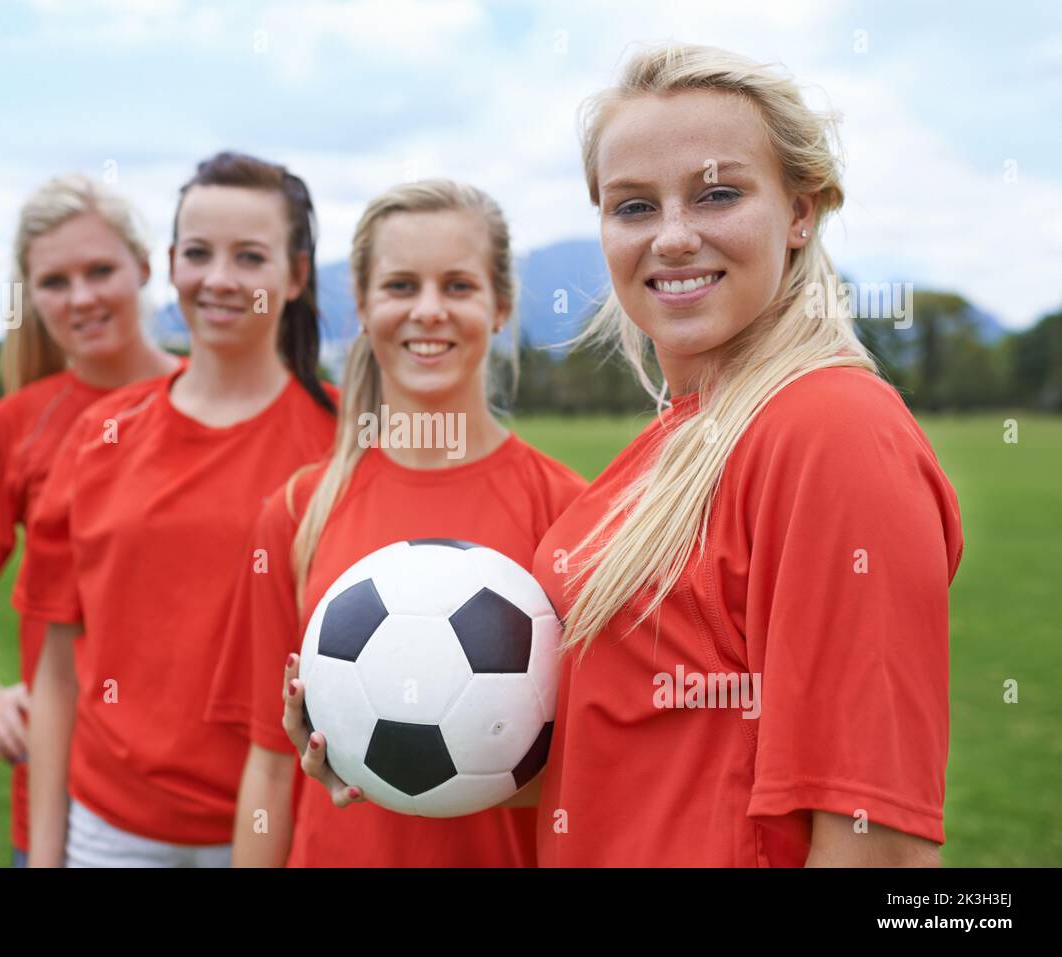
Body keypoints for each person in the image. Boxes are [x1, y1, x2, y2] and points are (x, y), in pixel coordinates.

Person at [286, 44, 963, 867]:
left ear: (800, 210)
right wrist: (373, 729)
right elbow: (640, 757)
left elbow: (877, 840)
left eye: (718, 194)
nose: (673, 237)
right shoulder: (675, 443)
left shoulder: (833, 431)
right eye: (634, 206)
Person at [209, 179, 587, 867]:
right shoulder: (296, 512)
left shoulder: (572, 512)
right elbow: (267, 766)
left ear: (501, 305)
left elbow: (597, 774)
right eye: (402, 286)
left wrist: (398, 778)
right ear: (361, 305)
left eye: (459, 286)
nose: (430, 311)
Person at [16, 151, 337, 867]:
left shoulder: (347, 443)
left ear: (295, 275)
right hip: (109, 833)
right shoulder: (97, 438)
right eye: (199, 253)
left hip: (284, 828)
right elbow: (57, 671)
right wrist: (44, 854)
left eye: (249, 256)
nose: (219, 278)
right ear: (169, 264)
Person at [0, 174, 180, 867]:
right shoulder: (23, 424)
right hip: (72, 798)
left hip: (229, 787)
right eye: (55, 281)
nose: (82, 297)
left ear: (145, 268)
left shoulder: (218, 397)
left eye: (100, 270)